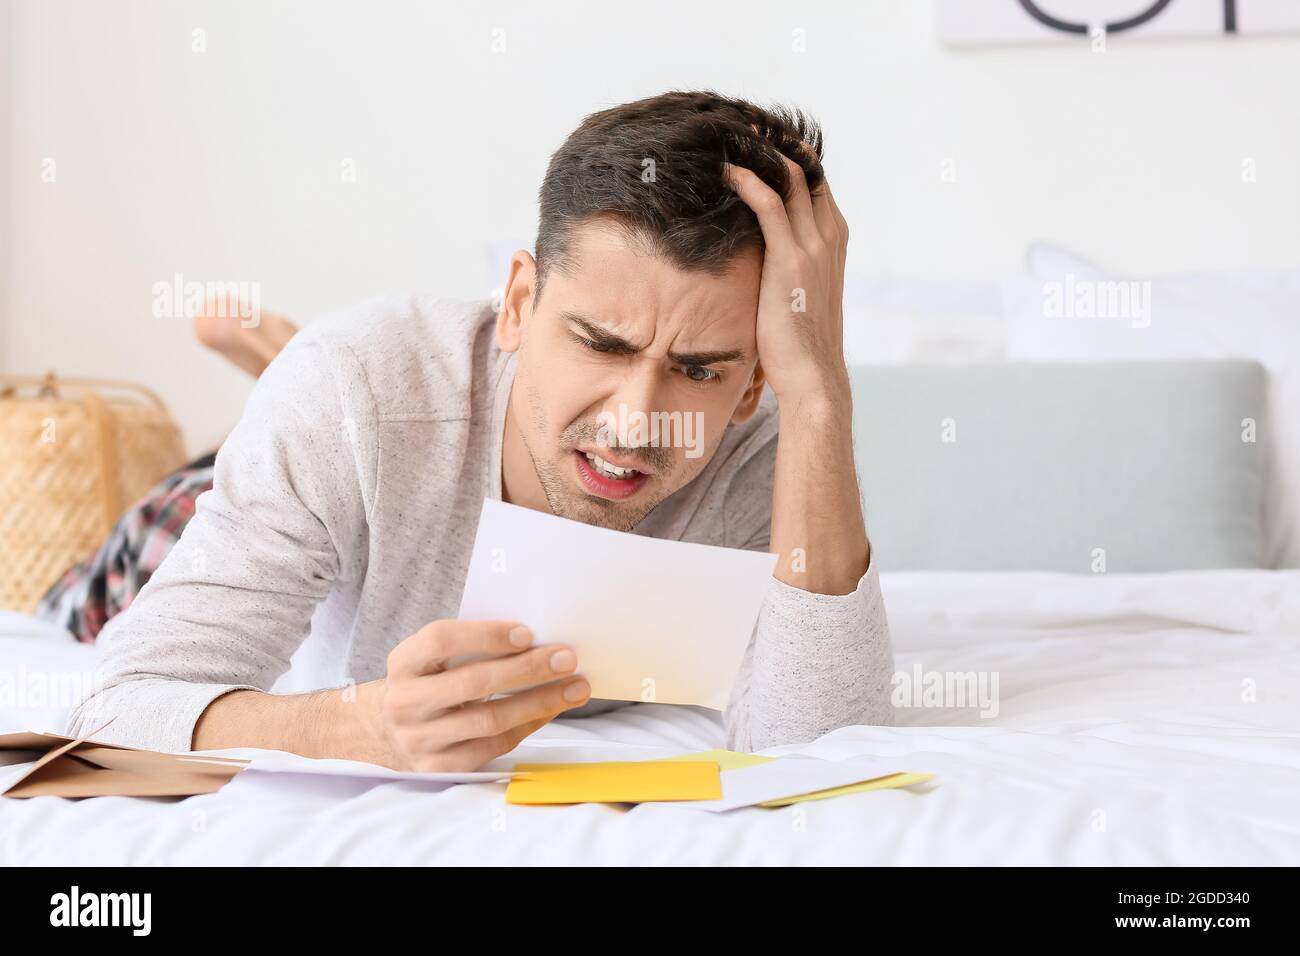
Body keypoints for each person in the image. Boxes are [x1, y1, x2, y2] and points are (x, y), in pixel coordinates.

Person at [66, 90, 896, 769]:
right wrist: (360, 727)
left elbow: (825, 750)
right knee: (180, 526)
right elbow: (113, 714)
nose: (636, 423)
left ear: (756, 381)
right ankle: (280, 375)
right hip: (224, 491)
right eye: (601, 344)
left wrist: (820, 393)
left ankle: (291, 378)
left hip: (396, 416)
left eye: (703, 369)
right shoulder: (355, 387)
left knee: (365, 416)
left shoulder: (780, 451)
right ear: (520, 304)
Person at [36, 307, 301, 643]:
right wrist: (308, 372)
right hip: (90, 603)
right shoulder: (236, 477)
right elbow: (214, 319)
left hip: (137, 589)